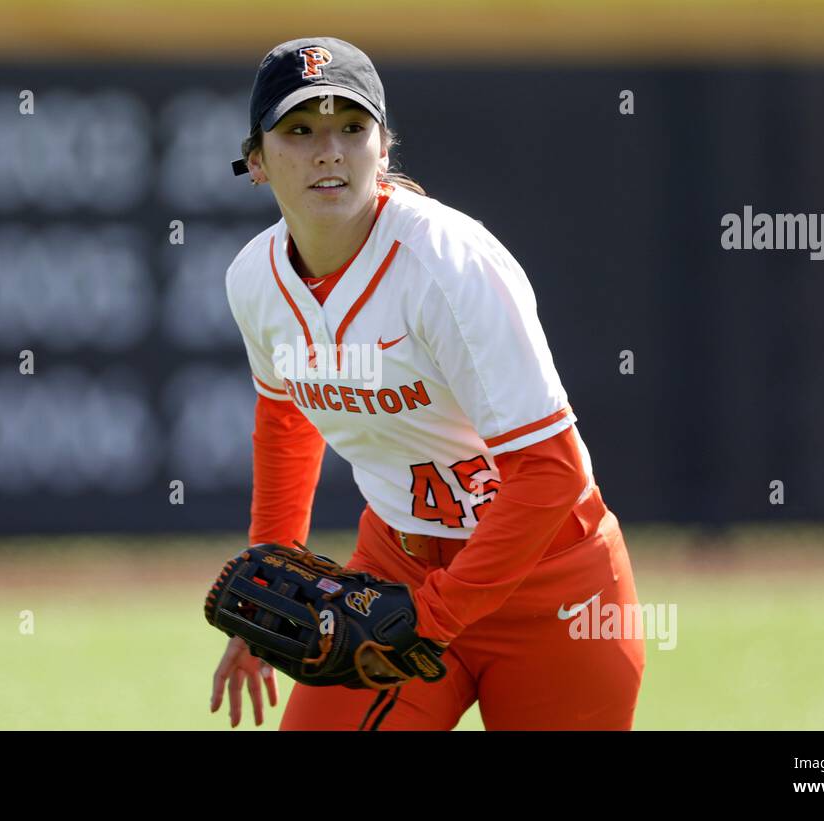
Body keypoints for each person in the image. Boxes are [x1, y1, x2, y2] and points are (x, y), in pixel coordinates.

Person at [210, 36, 645, 730]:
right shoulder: (255, 279)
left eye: (352, 128)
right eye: (300, 130)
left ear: (383, 149)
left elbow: (551, 471)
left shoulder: (447, 266)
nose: (329, 151)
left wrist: (434, 617)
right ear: (256, 161)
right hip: (396, 570)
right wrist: (267, 589)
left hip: (548, 581)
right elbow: (286, 419)